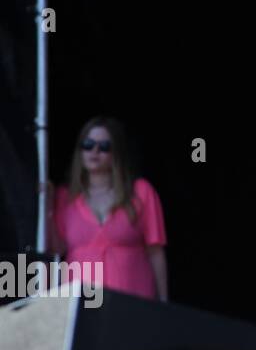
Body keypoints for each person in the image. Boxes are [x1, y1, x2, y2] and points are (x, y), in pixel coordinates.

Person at [49, 117, 168, 300]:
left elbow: (155, 252)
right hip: (83, 301)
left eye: (104, 147)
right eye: (88, 144)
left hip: (133, 298)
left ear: (116, 154)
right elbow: (56, 250)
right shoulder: (65, 196)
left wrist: (163, 302)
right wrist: (47, 207)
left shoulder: (140, 191)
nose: (94, 151)